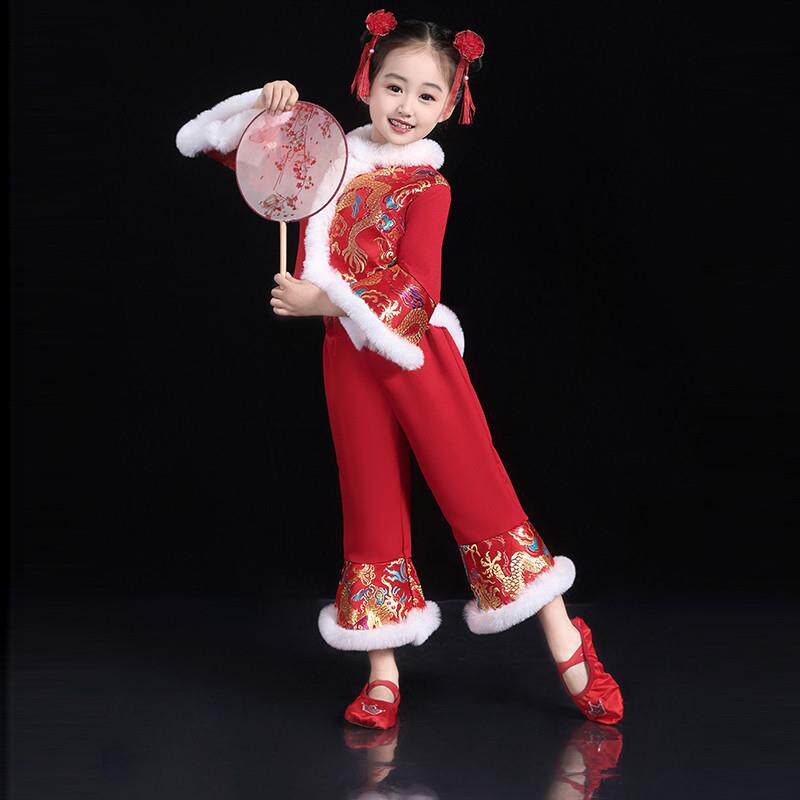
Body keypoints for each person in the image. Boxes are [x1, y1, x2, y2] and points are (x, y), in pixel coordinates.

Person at [175, 10, 623, 730]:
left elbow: (417, 292)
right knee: (370, 499)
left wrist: (323, 299)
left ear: (450, 106)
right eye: (394, 86)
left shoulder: (427, 189)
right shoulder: (325, 160)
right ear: (366, 82)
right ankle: (382, 671)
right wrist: (264, 105)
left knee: (476, 490)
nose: (406, 106)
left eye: (426, 95)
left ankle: (569, 641)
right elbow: (226, 153)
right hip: (347, 358)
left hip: (418, 357)